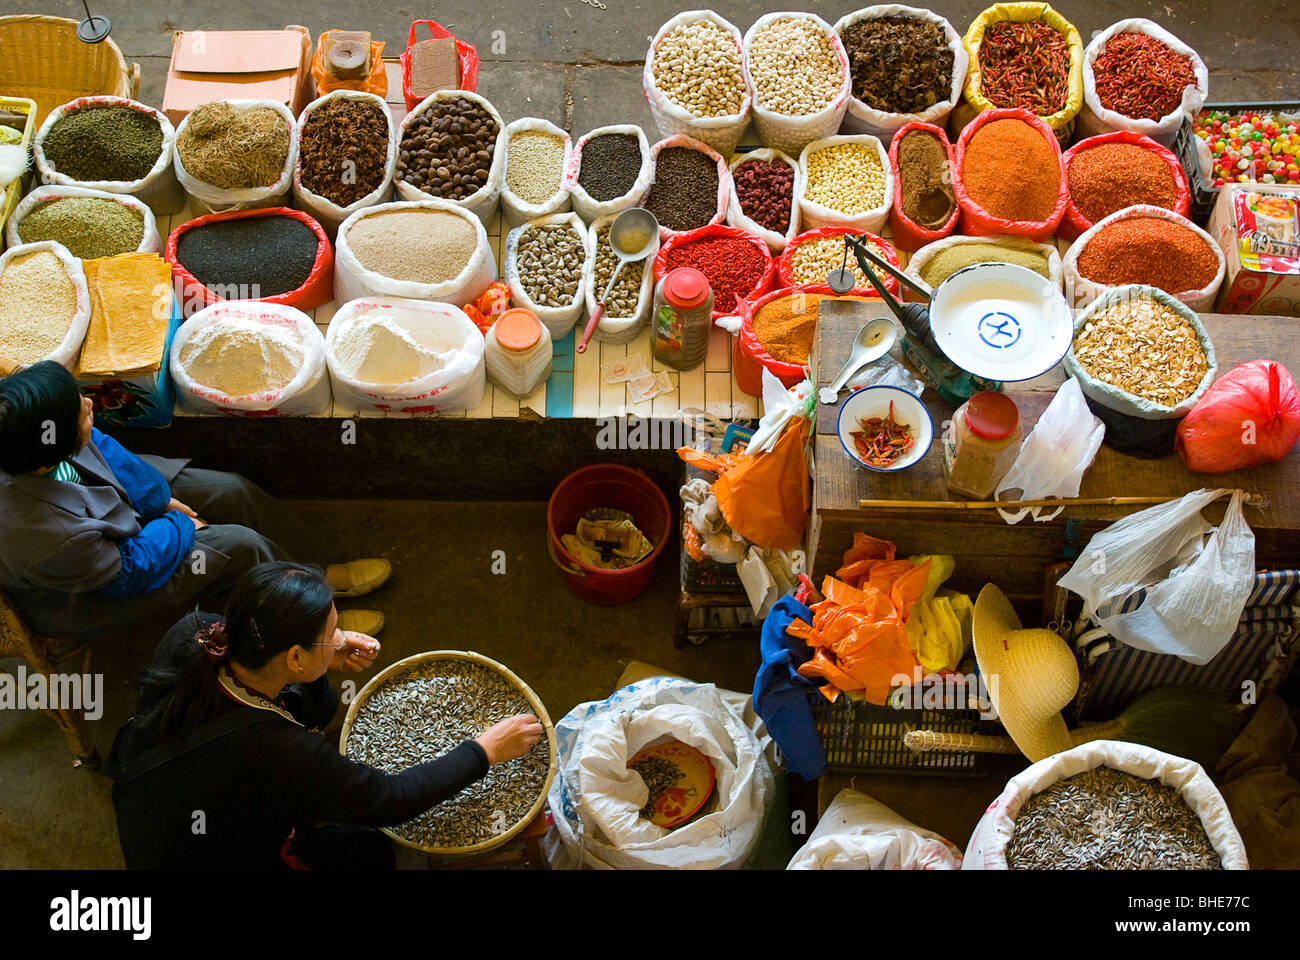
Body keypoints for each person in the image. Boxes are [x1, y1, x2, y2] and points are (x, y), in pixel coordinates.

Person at [106, 562, 544, 869]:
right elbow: (390, 799)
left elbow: (316, 709)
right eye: (331, 632)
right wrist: (484, 751)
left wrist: (323, 660)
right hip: (207, 855)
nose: (342, 638)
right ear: (293, 657)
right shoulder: (279, 753)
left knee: (358, 847)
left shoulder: (199, 633)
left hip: (157, 802)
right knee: (370, 855)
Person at [0, 361, 390, 641]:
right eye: (80, 412)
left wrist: (160, 500)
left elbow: (99, 446)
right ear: (50, 454)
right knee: (240, 546)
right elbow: (130, 570)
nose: (90, 405)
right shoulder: (46, 534)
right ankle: (314, 625)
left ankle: (316, 574)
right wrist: (182, 525)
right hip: (99, 586)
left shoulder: (31, 431)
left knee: (230, 491)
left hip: (105, 507)